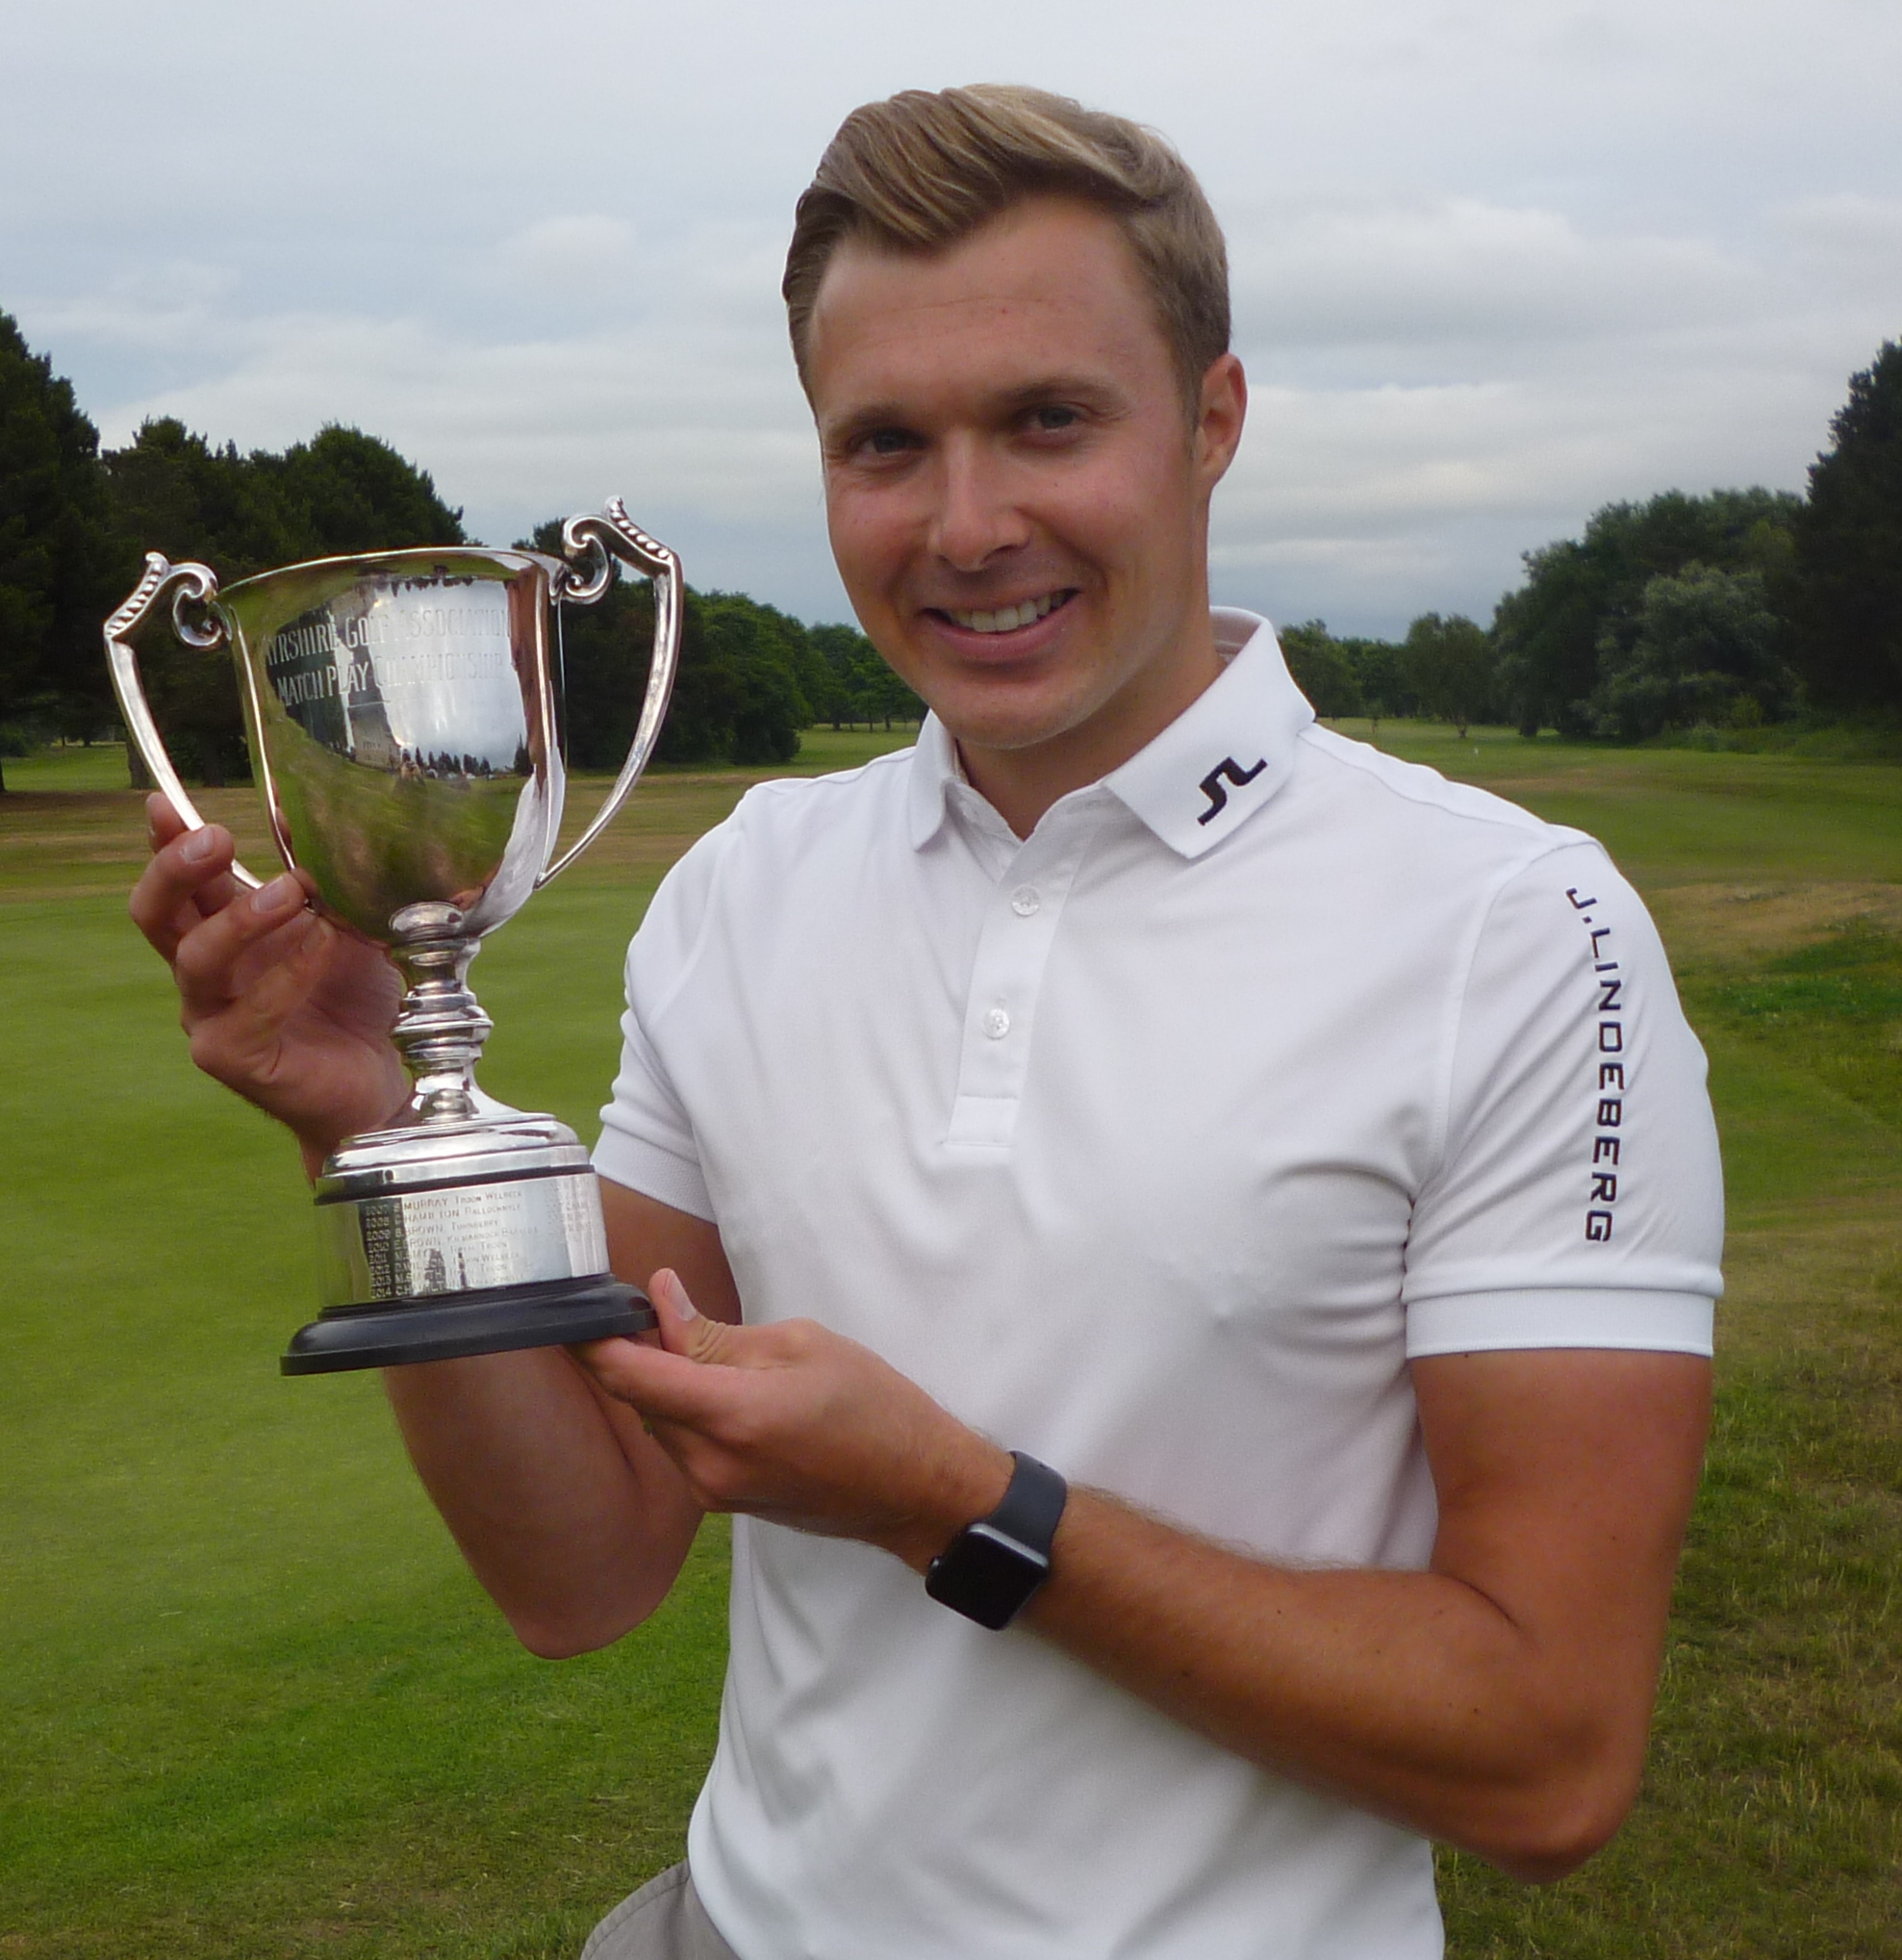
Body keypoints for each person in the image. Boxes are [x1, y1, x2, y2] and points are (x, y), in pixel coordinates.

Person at [131, 84, 1723, 1960]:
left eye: (1047, 419)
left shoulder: (1512, 929)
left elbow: (1542, 1755)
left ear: (1208, 420)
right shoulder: (751, 883)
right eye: (883, 443)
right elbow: (584, 1561)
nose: (966, 525)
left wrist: (955, 1503)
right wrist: (372, 1125)